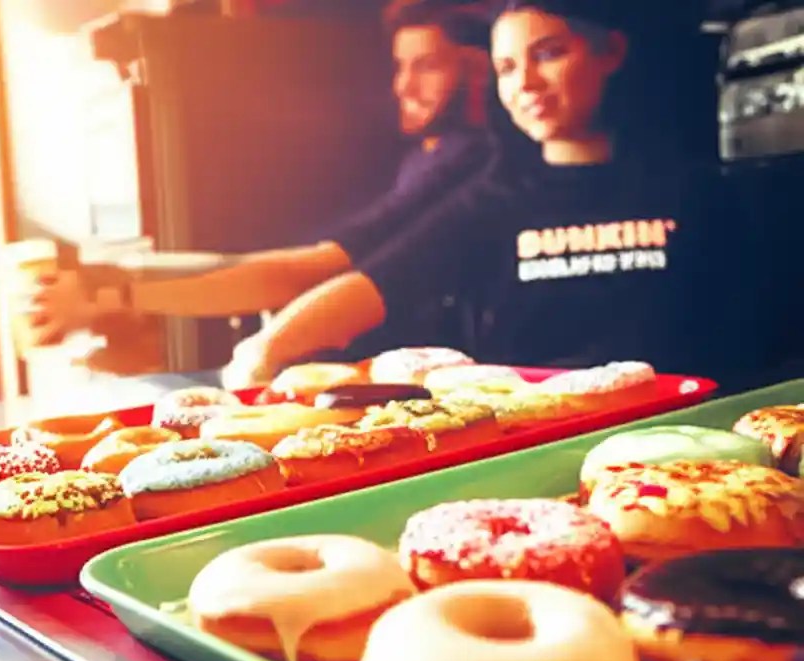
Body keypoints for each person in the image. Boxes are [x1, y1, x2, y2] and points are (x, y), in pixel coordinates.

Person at [222, 0, 767, 390]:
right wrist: (264, 350)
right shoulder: (496, 202)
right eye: (507, 67)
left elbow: (750, 348)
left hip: (675, 444)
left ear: (610, 52)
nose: (525, 82)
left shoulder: (692, 190)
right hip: (530, 445)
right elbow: (376, 284)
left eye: (549, 53)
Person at [24, 0, 495, 349]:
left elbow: (296, 275)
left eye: (426, 66)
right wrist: (110, 276)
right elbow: (262, 262)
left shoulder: (472, 160)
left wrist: (109, 295)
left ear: (480, 69)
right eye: (399, 66)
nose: (403, 86)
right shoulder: (427, 154)